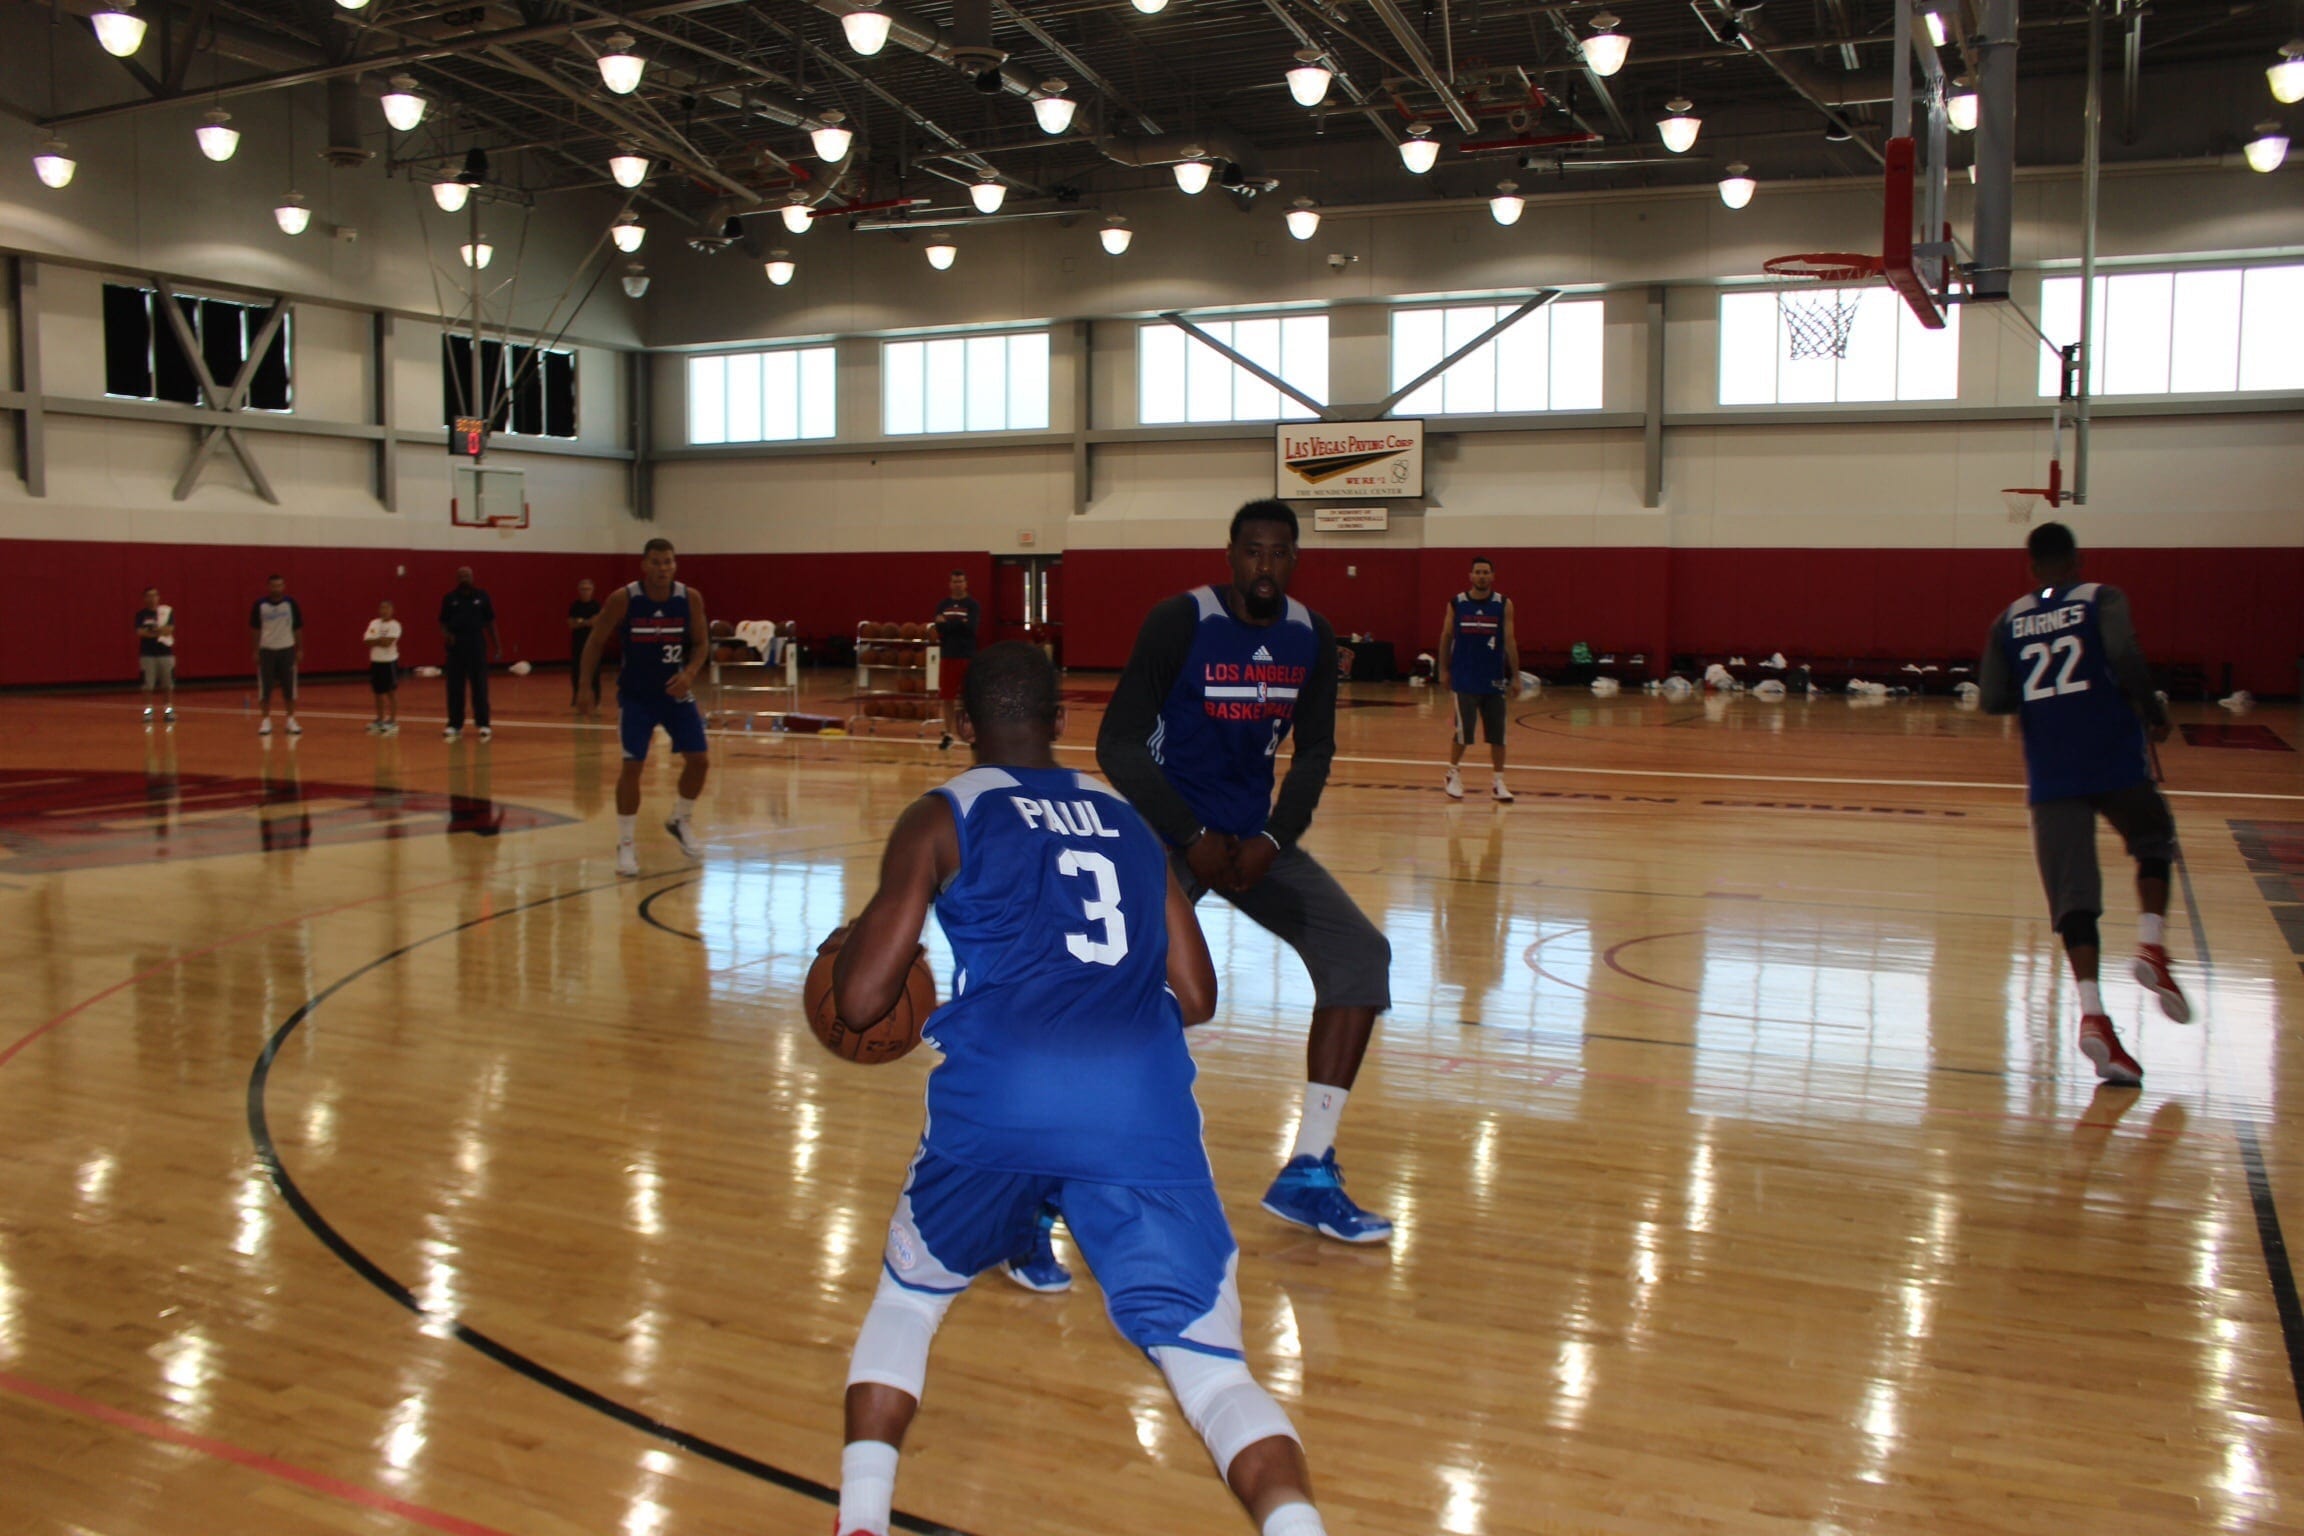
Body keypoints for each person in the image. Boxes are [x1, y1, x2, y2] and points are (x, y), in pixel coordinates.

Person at [829, 642, 1330, 1536]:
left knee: (909, 1302)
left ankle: (860, 1519)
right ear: (1063, 722)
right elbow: (1199, 995)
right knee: (1213, 1373)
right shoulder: (1129, 819)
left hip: (1001, 1101)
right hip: (1138, 1108)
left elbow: (865, 1002)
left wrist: (872, 934)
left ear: (959, 724)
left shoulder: (941, 815)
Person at [1096, 498, 1393, 1253]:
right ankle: (1048, 1184)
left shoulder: (1311, 636)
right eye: (1253, 551)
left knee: (1360, 955)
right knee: (1109, 985)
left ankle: (1308, 1172)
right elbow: (1119, 745)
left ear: (1295, 560)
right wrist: (1189, 836)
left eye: (1280, 553)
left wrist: (1273, 835)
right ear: (1230, 556)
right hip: (1170, 836)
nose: (1266, 565)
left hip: (1252, 844)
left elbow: (1315, 752)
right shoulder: (1181, 622)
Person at [1980, 521, 2192, 1086]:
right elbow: (2123, 652)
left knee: (2074, 899)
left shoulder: (2008, 619)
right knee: (2153, 838)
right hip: (2111, 756)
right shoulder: (2103, 598)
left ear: (2031, 567)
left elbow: (1994, 698)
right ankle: (2150, 946)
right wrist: (2151, 707)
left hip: (2051, 771)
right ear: (2076, 559)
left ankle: (2095, 1018)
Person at [580, 538, 710, 877]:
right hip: (637, 696)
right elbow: (594, 642)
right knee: (632, 767)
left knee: (700, 760)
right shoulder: (624, 599)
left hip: (675, 694)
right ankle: (625, 844)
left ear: (675, 565)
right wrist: (584, 687)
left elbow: (700, 644)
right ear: (644, 565)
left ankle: (680, 819)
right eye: (655, 562)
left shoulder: (689, 598)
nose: (662, 568)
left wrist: (690, 673)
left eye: (667, 562)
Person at [1436, 556, 1519, 802]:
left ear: (1493, 576)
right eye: (1478, 572)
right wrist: (1442, 670)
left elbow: (1510, 641)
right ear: (1470, 576)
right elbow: (1446, 638)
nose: (1482, 576)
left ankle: (1498, 781)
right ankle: (1452, 773)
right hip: (1464, 679)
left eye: (1486, 572)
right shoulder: (1457, 603)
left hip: (1493, 679)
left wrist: (1515, 675)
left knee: (1498, 734)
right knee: (1464, 732)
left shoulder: (1503, 604)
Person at [439, 566, 501, 741]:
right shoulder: (450, 598)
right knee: (454, 687)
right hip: (456, 646)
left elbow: (490, 622)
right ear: (457, 578)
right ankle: (454, 724)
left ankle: (484, 724)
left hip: (476, 644)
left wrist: (497, 646)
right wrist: (447, 635)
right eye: (461, 575)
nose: (464, 578)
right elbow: (442, 622)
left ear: (472, 577)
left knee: (480, 686)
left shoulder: (482, 596)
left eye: (467, 575)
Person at [932, 569, 981, 751]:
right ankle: (948, 734)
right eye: (954, 581)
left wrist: (948, 623)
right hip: (948, 655)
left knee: (969, 697)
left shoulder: (972, 605)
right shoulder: (942, 604)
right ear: (950, 584)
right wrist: (959, 623)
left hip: (967, 655)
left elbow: (971, 629)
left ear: (966, 584)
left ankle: (973, 734)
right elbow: (939, 629)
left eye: (961, 581)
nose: (957, 584)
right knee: (947, 697)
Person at [249, 574, 304, 737]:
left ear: (284, 586)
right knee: (265, 687)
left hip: (286, 649)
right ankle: (265, 720)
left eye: (279, 585)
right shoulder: (260, 605)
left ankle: (291, 720)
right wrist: (255, 650)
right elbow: (255, 629)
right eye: (274, 585)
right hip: (267, 650)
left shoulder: (290, 604)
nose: (277, 588)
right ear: (268, 587)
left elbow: (298, 627)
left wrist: (299, 649)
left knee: (289, 687)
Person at [135, 586, 176, 724]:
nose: (152, 599)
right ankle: (148, 711)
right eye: (149, 596)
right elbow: (141, 632)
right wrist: (159, 631)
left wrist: (153, 631)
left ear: (158, 598)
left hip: (165, 654)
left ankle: (168, 710)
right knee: (148, 685)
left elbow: (169, 630)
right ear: (145, 598)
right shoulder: (141, 615)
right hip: (147, 655)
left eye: (155, 595)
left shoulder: (166, 613)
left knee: (168, 684)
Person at [364, 600, 403, 734]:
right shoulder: (374, 623)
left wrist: (377, 640)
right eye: (382, 608)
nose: (384, 611)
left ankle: (392, 720)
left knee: (390, 691)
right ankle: (380, 718)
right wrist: (379, 641)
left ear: (392, 610)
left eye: (387, 608)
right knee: (378, 692)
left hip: (389, 661)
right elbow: (367, 641)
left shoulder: (395, 625)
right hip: (376, 661)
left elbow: (388, 643)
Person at [568, 578, 604, 713]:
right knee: (576, 672)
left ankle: (597, 700)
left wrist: (581, 621)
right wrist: (586, 622)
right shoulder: (575, 606)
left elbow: (597, 622)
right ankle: (576, 699)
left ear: (592, 590)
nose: (585, 591)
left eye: (587, 589)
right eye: (583, 589)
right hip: (578, 644)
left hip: (593, 644)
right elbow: (571, 623)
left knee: (594, 673)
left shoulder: (596, 606)